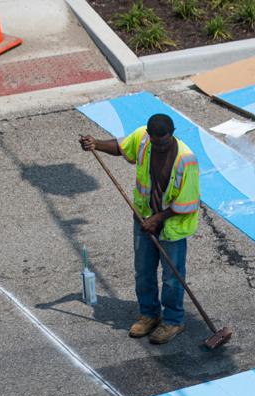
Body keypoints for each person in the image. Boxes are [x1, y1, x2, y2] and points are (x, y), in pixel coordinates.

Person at [80, 114, 199, 345]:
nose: (159, 146)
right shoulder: (143, 139)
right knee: (143, 271)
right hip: (144, 217)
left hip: (171, 225)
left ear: (172, 133)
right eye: (156, 142)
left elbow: (187, 202)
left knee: (172, 277)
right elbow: (121, 147)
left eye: (164, 141)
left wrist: (158, 219)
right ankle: (149, 314)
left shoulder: (186, 159)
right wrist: (96, 144)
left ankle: (174, 320)